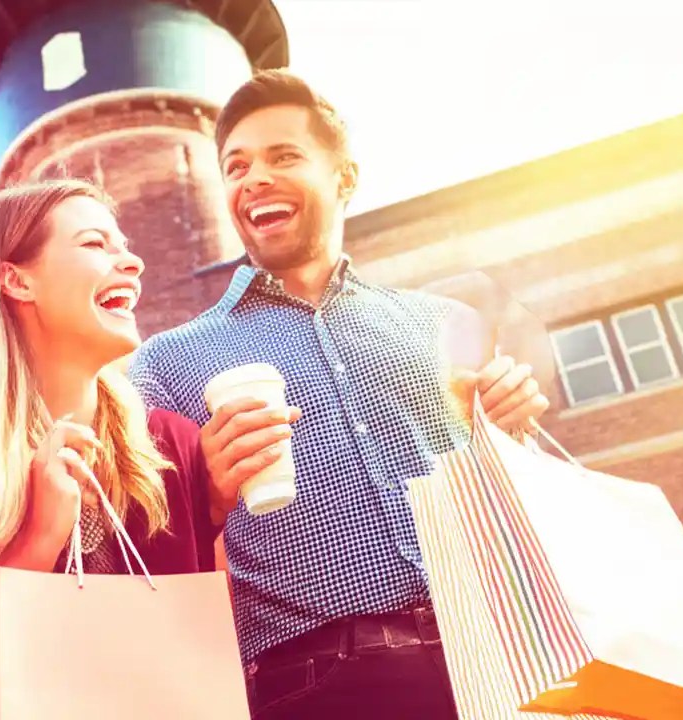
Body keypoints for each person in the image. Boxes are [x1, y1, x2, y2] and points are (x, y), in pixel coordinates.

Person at [128, 70, 551, 719]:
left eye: (284, 156)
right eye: (236, 167)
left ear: (345, 179)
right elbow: (137, 543)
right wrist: (204, 494)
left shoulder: (443, 325)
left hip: (499, 660)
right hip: (317, 684)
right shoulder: (166, 361)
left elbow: (510, 509)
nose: (254, 178)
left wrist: (507, 432)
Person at [0, 180, 220, 719]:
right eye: (95, 243)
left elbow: (221, 647)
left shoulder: (175, 447)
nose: (132, 262)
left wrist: (222, 503)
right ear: (16, 279)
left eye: (123, 244)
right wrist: (34, 543)